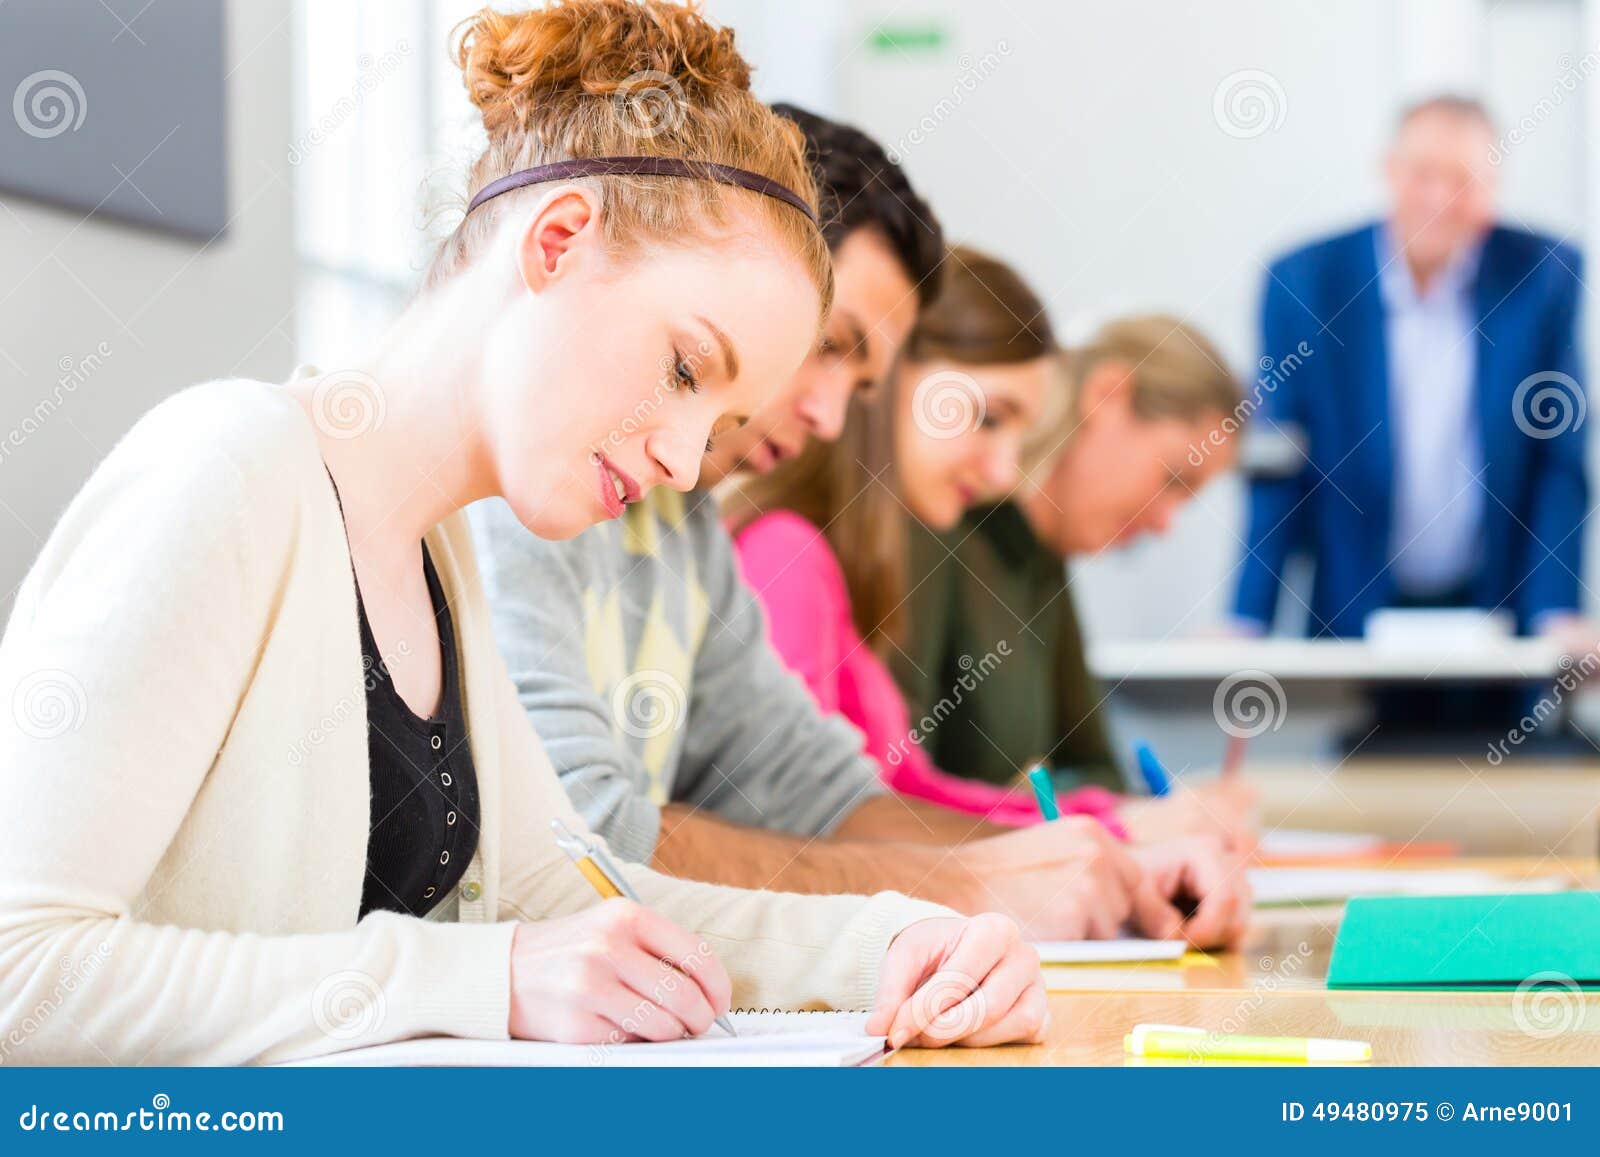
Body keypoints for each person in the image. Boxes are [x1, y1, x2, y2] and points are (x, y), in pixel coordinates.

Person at [0, 1, 1046, 1065]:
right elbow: (19, 970)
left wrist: (894, 942)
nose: (688, 464)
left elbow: (572, 893)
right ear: (558, 240)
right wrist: (480, 975)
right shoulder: (227, 469)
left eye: (723, 423)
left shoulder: (442, 556)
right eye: (685, 368)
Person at [474, 125, 1245, 947]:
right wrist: (972, 883)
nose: (831, 416)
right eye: (829, 345)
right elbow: (580, 843)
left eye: (862, 378)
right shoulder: (534, 488)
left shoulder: (682, 521)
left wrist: (1094, 868)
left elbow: (818, 794)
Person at [885, 312, 1256, 850]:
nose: (1165, 523)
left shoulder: (1043, 559)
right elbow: (894, 796)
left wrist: (1145, 814)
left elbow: (1098, 770)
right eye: (1174, 478)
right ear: (1107, 395)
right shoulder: (938, 527)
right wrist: (1109, 818)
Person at [1233, 95, 1587, 658]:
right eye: (1424, 174)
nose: (1441, 199)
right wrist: (1246, 620)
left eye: (1465, 180)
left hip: (1500, 611)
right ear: (1389, 171)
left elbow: (1558, 458)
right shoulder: (1305, 281)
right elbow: (1278, 457)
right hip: (1351, 611)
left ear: (1495, 187)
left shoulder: (1545, 276)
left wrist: (1556, 612)